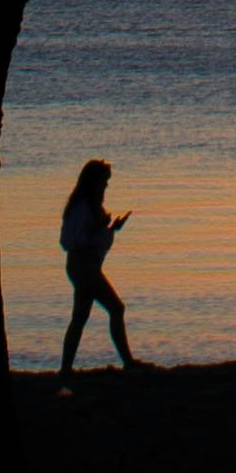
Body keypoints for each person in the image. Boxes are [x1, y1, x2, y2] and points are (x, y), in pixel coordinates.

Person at [58, 156, 139, 376]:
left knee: (80, 317)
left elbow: (95, 237)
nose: (105, 186)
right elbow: (69, 241)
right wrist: (97, 228)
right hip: (82, 265)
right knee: (116, 307)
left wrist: (112, 228)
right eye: (103, 182)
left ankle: (65, 369)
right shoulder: (81, 207)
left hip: (88, 265)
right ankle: (128, 362)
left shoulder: (93, 206)